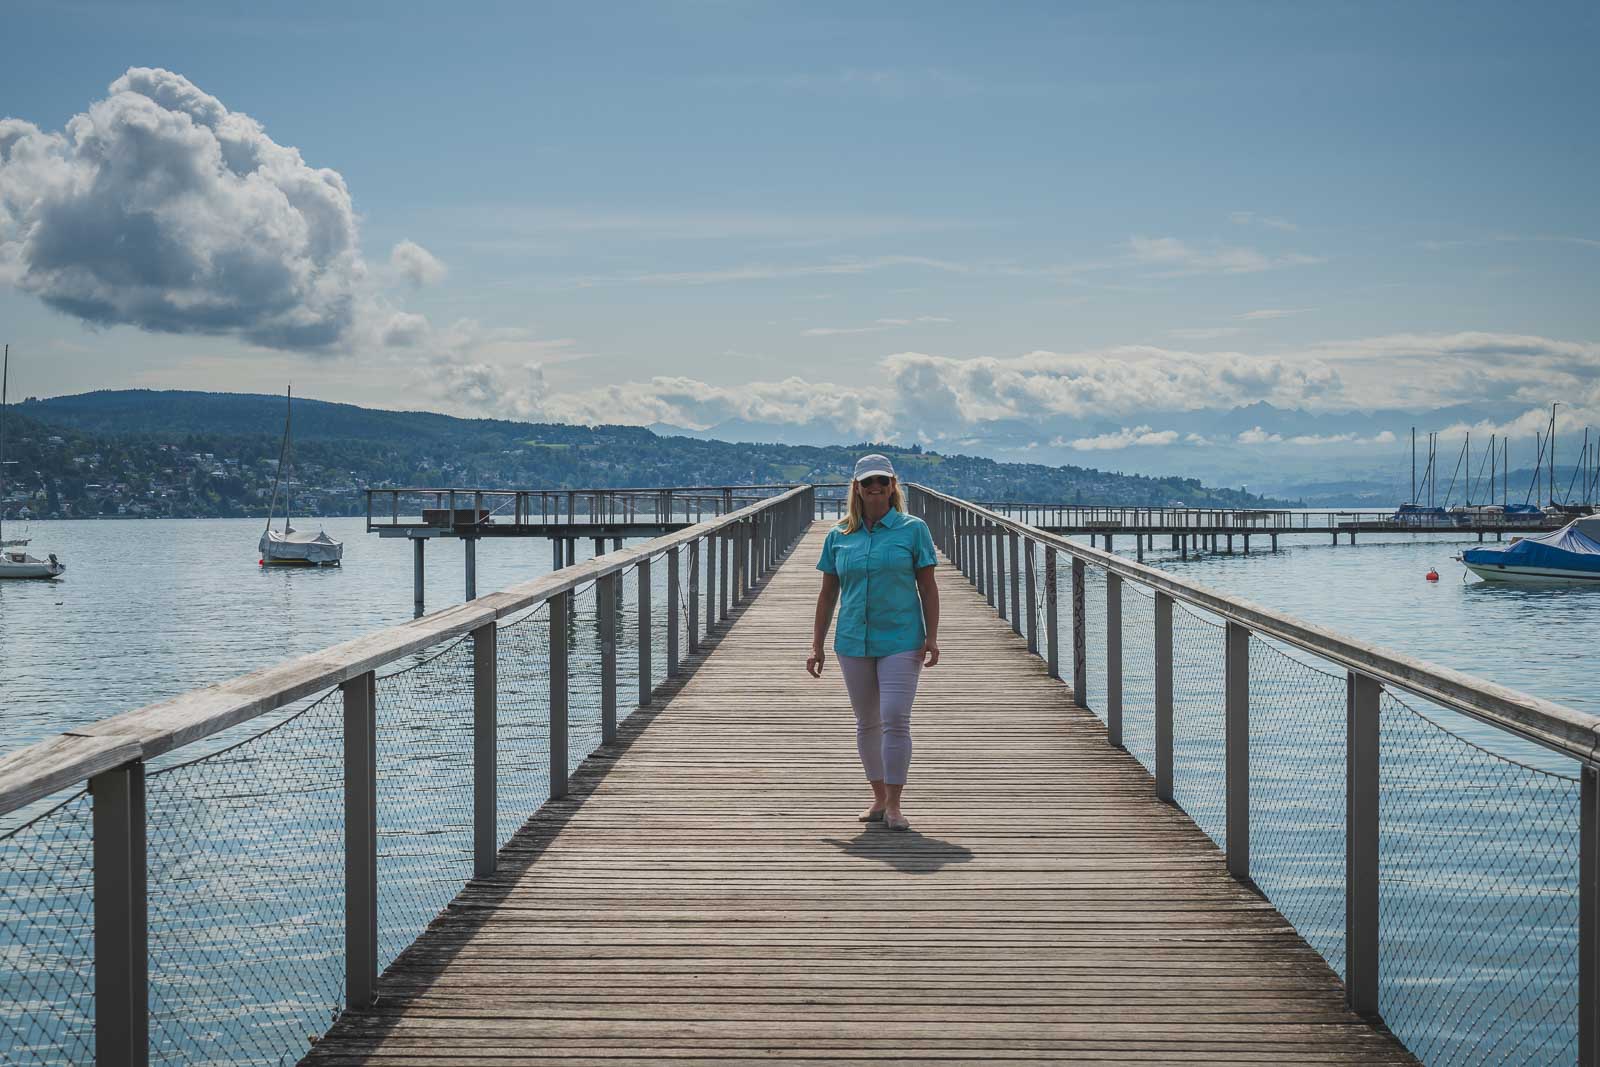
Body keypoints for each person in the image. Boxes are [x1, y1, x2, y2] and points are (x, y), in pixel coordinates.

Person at [807, 454, 940, 831]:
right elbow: (827, 593)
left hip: (901, 636)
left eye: (882, 480)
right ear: (857, 488)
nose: (876, 487)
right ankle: (879, 797)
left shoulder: (913, 529)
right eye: (868, 482)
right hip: (852, 638)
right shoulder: (839, 535)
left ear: (893, 485)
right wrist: (816, 645)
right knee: (867, 721)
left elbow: (927, 587)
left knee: (895, 716)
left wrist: (932, 636)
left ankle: (896, 804)